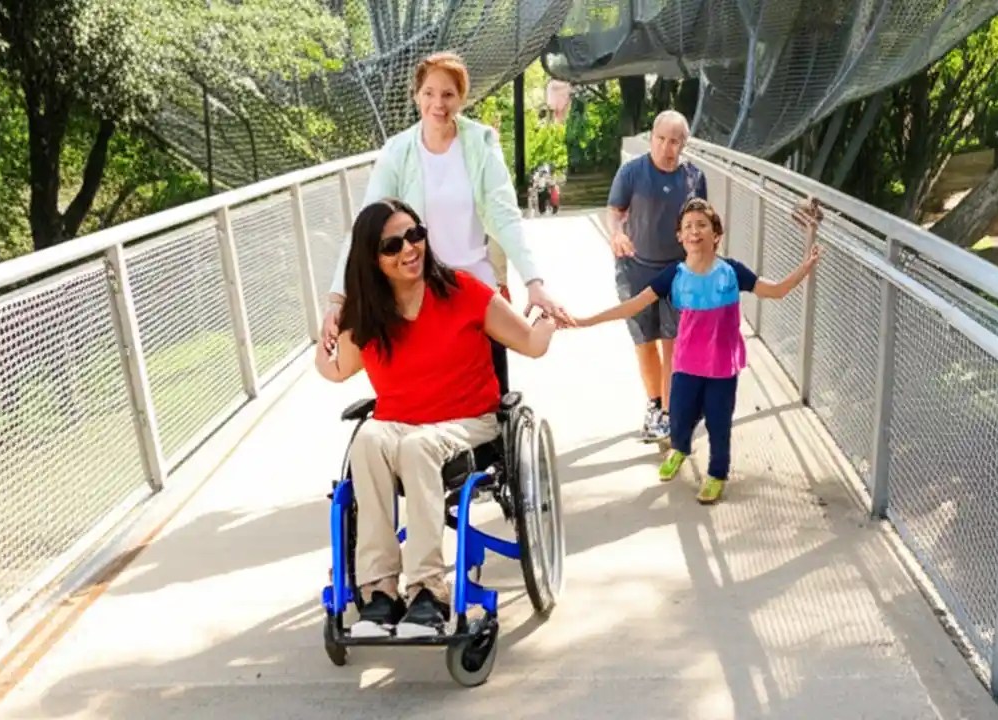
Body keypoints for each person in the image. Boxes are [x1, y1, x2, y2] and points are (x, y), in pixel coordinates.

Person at [316, 198, 557, 638]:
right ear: (373, 258)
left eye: (415, 234)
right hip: (398, 422)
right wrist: (326, 332)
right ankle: (381, 593)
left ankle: (428, 590)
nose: (409, 248)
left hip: (467, 421)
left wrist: (546, 320)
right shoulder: (367, 313)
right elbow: (336, 370)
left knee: (417, 446)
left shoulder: (463, 291)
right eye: (393, 244)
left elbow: (529, 343)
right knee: (367, 439)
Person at [322, 51, 569, 397]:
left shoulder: (480, 144)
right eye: (429, 93)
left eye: (448, 94)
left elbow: (504, 216)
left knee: (490, 395)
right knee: (423, 395)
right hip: (419, 293)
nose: (438, 103)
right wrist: (338, 297)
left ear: (462, 98)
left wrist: (534, 282)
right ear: (416, 96)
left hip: (474, 288)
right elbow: (365, 227)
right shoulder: (398, 152)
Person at [568, 198, 822, 505]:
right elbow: (634, 304)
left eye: (702, 225)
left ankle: (717, 474)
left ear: (716, 234)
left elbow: (777, 290)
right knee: (678, 417)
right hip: (686, 365)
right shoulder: (674, 276)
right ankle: (681, 448)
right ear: (680, 237)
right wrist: (584, 321)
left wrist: (806, 267)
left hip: (721, 367)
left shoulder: (732, 272)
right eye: (688, 226)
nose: (694, 231)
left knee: (718, 423)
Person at [606, 110, 708, 443]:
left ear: (683, 145)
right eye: (661, 139)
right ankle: (655, 403)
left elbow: (701, 223)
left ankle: (669, 413)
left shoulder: (694, 178)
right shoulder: (632, 171)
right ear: (651, 137)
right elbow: (615, 211)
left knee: (674, 344)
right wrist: (617, 234)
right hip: (636, 270)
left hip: (678, 273)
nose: (666, 147)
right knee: (645, 343)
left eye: (674, 141)